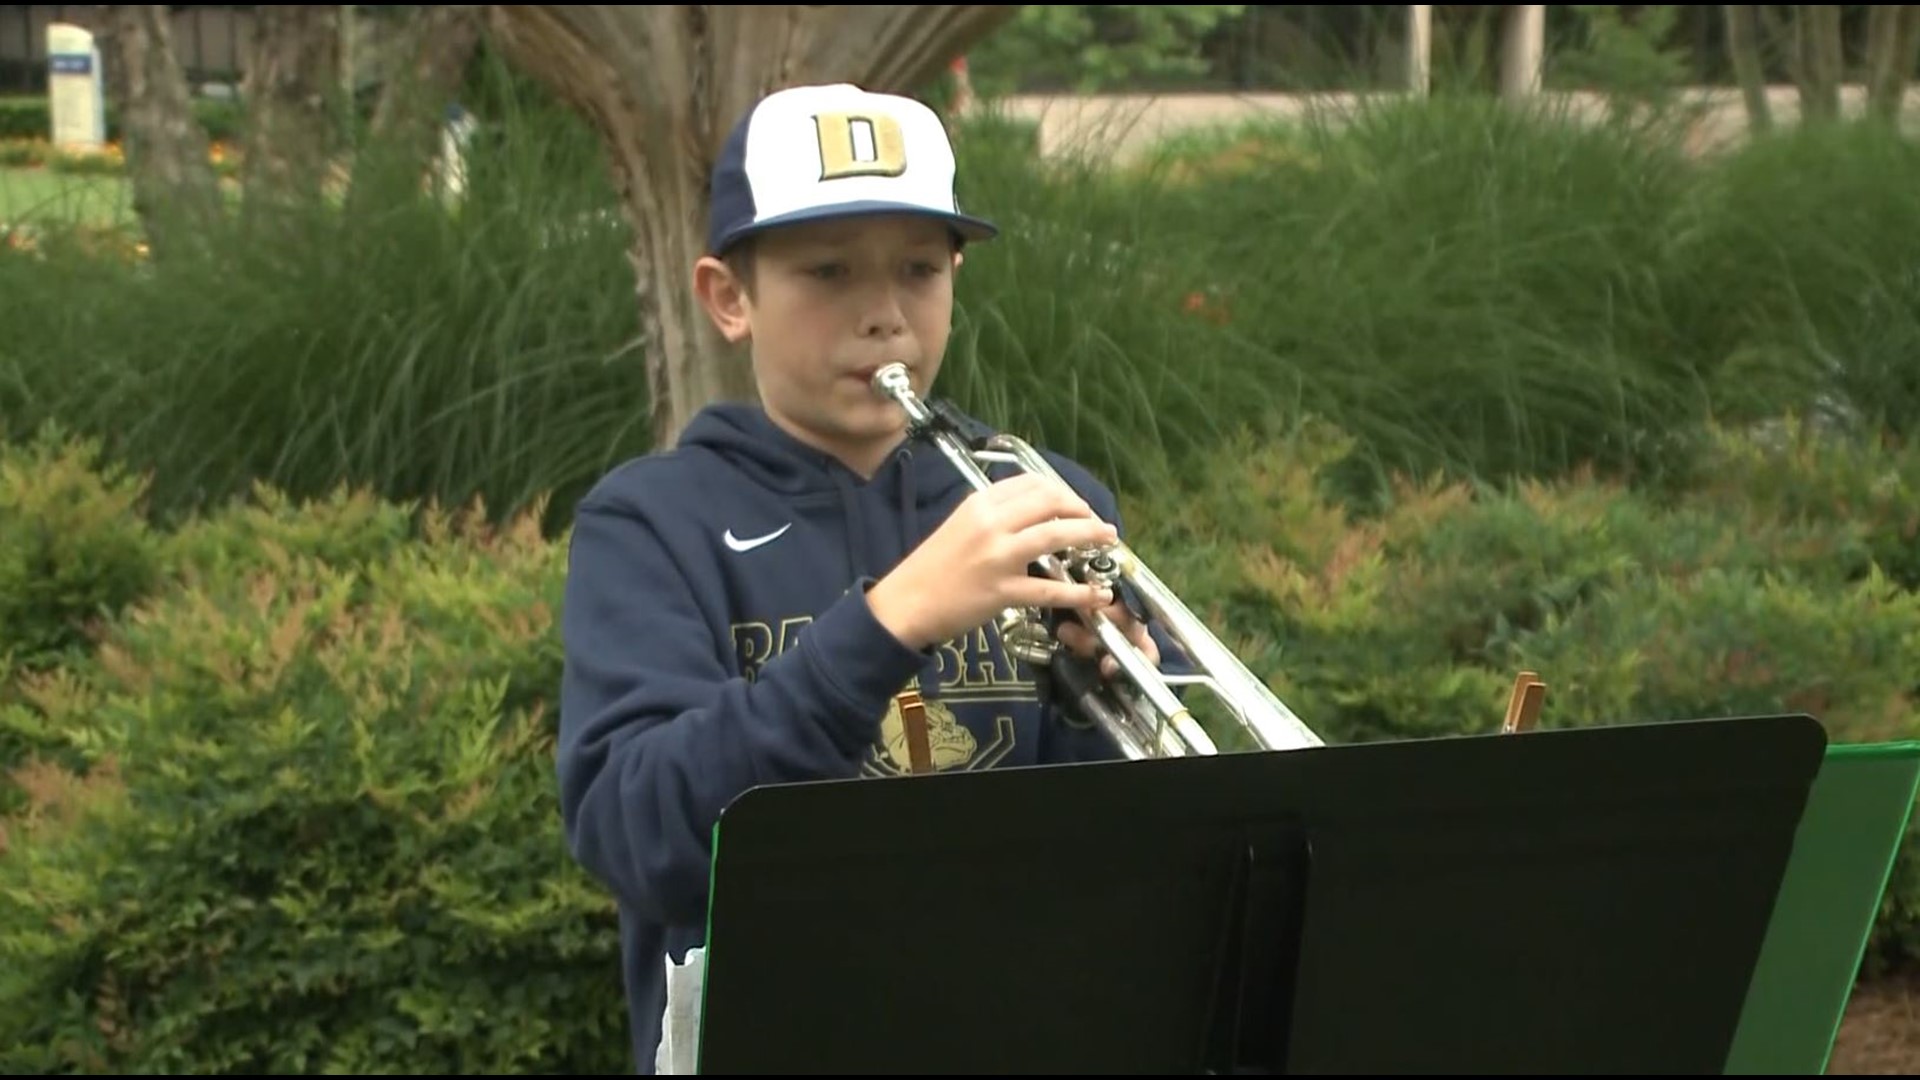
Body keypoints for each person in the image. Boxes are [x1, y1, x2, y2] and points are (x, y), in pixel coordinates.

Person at [556, 81, 1184, 1074]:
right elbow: (638, 833)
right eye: (829, 272)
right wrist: (888, 623)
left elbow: (1144, 857)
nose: (884, 316)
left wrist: (1121, 704)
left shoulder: (1040, 493)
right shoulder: (651, 526)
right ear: (730, 298)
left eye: (920, 271)